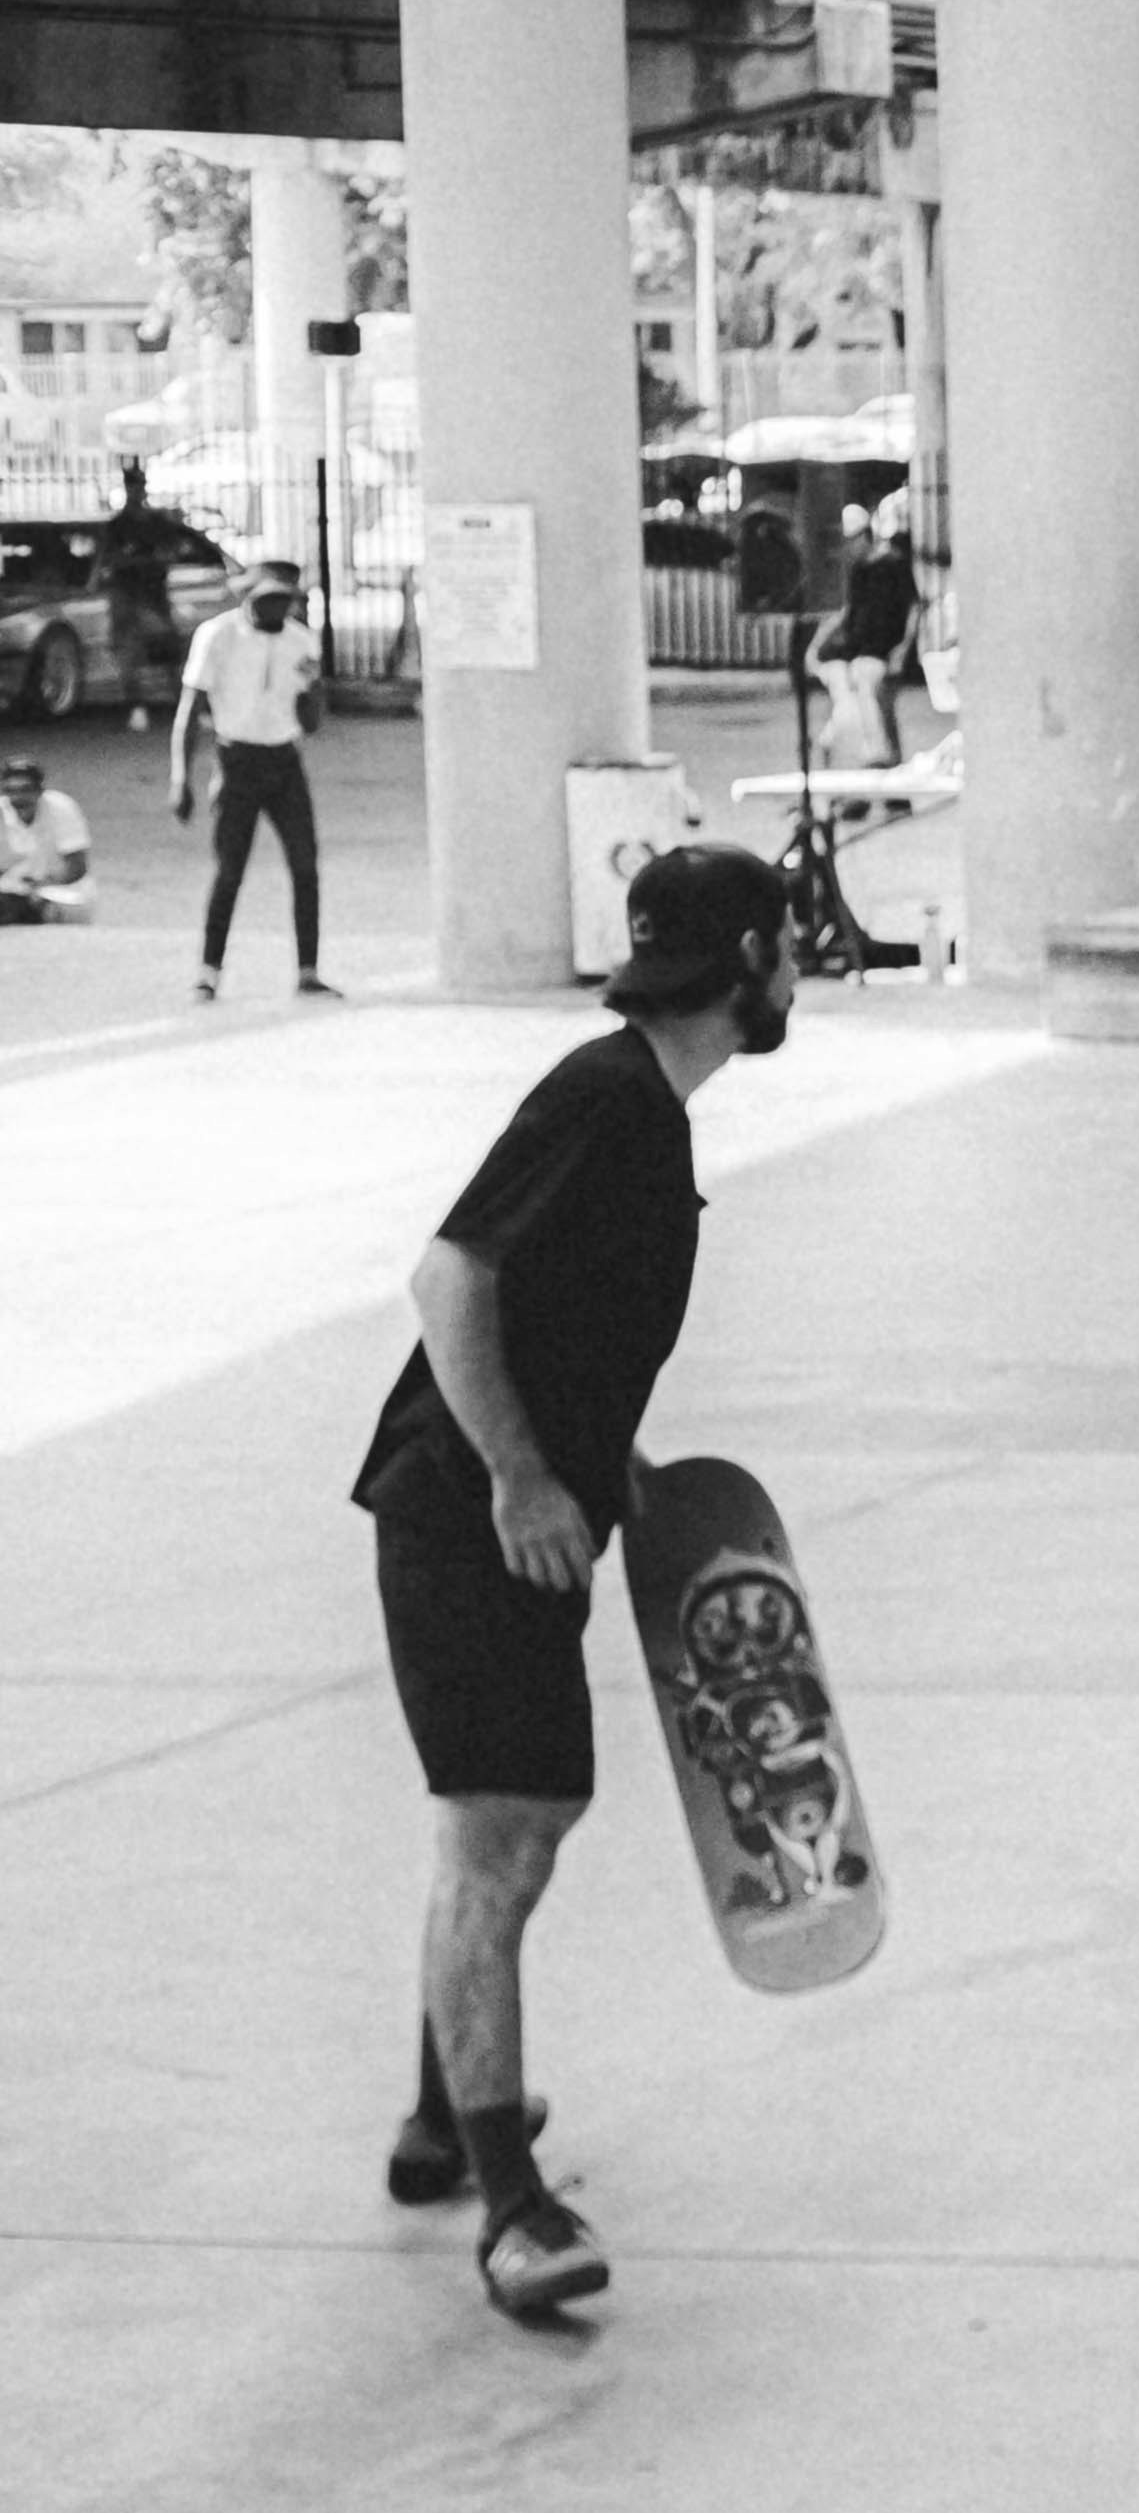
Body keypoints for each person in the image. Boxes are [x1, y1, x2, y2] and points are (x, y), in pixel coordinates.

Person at [355, 842, 799, 2324]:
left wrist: (612, 1472)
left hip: (519, 1511)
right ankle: (510, 2210)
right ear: (746, 963)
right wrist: (522, 1479)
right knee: (501, 1834)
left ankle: (438, 2121)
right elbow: (452, 1278)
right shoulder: (604, 1100)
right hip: (458, 1518)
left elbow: (564, 1324)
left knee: (520, 1825)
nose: (799, 969)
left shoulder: (644, 1119)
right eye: (787, 945)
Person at [171, 550, 333, 1004]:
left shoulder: (301, 642)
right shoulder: (217, 636)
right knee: (229, 870)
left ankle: (308, 969)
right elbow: (191, 710)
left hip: (284, 761)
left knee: (305, 866)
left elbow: (311, 721)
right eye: (269, 600)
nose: (279, 610)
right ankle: (208, 970)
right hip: (236, 760)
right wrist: (180, 776)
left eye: (286, 601)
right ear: (249, 598)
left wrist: (314, 693)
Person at [804, 507, 925, 766]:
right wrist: (817, 644)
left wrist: (902, 651)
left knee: (878, 707)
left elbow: (913, 608)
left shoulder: (893, 562)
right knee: (858, 705)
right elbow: (848, 611)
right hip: (859, 651)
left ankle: (885, 768)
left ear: (862, 537)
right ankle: (861, 771)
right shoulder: (859, 569)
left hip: (884, 652)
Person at [98, 455, 187, 728]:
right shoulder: (118, 525)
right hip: (128, 594)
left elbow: (170, 551)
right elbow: (111, 558)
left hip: (152, 593)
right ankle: (137, 707)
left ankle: (180, 706)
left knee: (168, 650)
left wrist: (141, 558)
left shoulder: (156, 523)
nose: (137, 492)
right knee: (130, 653)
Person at [0, 750, 91, 922]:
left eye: (25, 790)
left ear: (40, 790)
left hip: (65, 893)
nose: (18, 798)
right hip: (15, 891)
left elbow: (77, 867)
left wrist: (41, 885)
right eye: (10, 791)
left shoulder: (62, 808)